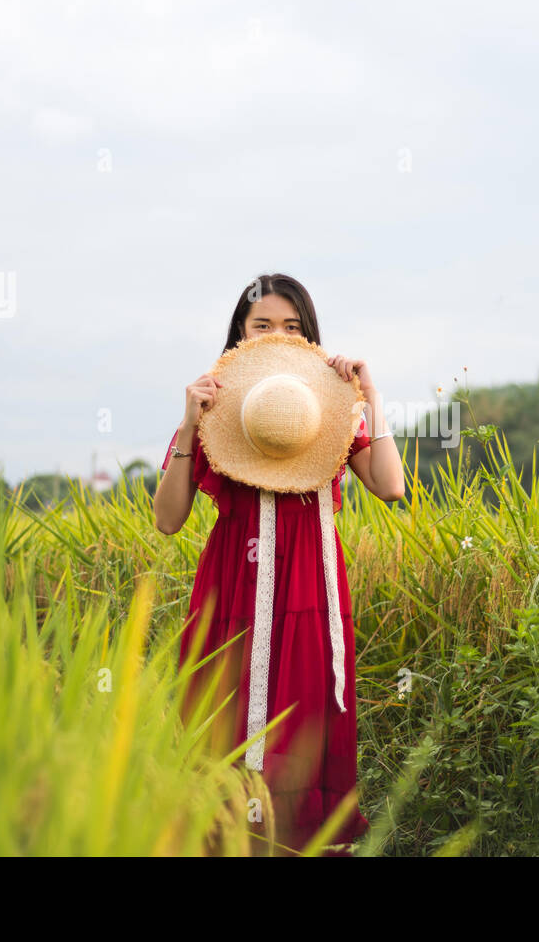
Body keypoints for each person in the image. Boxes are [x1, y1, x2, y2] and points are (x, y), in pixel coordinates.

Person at [152, 273, 406, 856]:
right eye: (261, 323)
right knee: (224, 714)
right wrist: (190, 422)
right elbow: (168, 519)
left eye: (292, 326)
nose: (276, 334)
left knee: (305, 719)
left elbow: (390, 486)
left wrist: (371, 395)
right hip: (233, 591)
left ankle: (298, 844)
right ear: (240, 333)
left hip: (311, 591)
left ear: (308, 336)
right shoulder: (215, 408)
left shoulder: (331, 411)